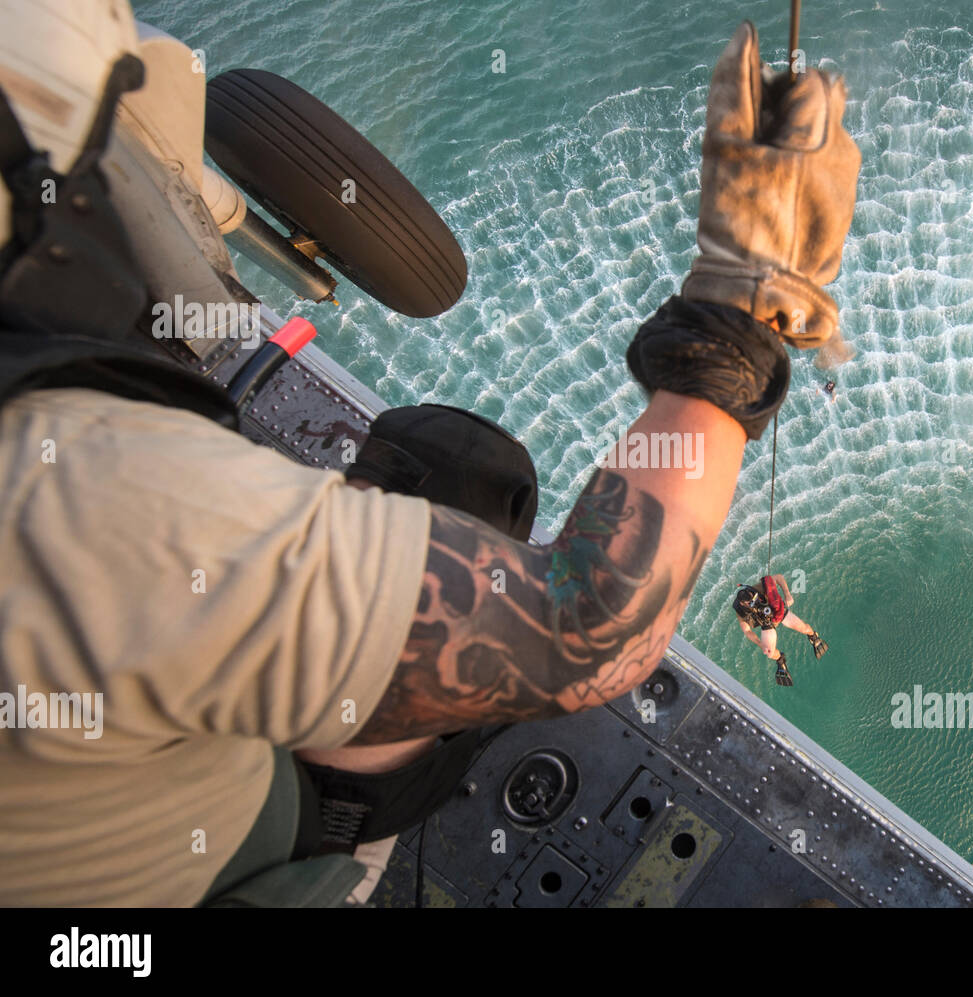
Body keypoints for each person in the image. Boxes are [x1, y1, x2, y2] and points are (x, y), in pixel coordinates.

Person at [0, 9, 859, 905]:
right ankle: (335, 835)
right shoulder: (84, 508)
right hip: (251, 857)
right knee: (462, 478)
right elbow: (590, 631)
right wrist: (738, 306)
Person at [733, 574, 829, 686]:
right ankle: (780, 660)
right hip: (766, 624)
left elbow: (778, 577)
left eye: (754, 599)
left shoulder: (756, 589)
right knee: (768, 652)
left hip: (775, 612)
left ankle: (813, 636)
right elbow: (747, 631)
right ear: (742, 604)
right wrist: (760, 643)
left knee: (805, 628)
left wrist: (787, 595)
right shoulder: (740, 612)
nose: (754, 601)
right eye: (750, 603)